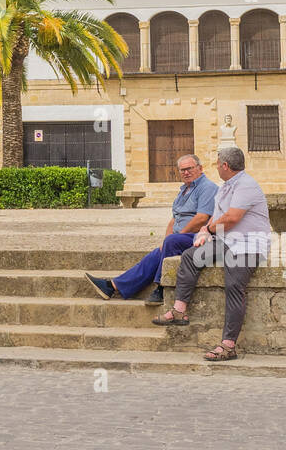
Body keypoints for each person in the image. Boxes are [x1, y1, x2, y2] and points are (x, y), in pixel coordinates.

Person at [152, 146, 271, 362]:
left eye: (217, 163)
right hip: (226, 241)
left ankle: (228, 345)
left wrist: (208, 229)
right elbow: (216, 218)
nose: (216, 167)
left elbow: (232, 218)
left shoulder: (246, 185)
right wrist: (204, 234)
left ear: (225, 165)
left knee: (234, 285)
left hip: (248, 245)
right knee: (190, 256)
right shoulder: (225, 187)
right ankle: (180, 310)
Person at [83, 154, 218, 305]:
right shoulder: (183, 191)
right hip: (181, 237)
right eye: (182, 170)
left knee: (171, 242)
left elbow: (202, 218)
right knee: (155, 254)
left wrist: (176, 236)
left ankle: (161, 288)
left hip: (198, 237)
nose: (186, 172)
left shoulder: (207, 188)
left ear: (200, 168)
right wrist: (165, 241)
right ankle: (112, 286)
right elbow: (174, 219)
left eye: (189, 168)